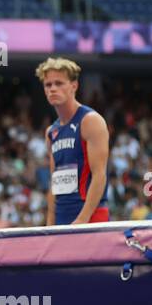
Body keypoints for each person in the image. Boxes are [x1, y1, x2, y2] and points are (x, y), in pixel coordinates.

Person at [37, 57, 110, 225]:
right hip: (62, 214)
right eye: (48, 85)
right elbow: (54, 180)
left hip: (90, 214)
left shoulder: (90, 121)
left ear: (74, 86)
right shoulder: (51, 132)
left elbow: (100, 175)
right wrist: (50, 223)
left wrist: (83, 219)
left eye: (59, 83)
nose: (53, 89)